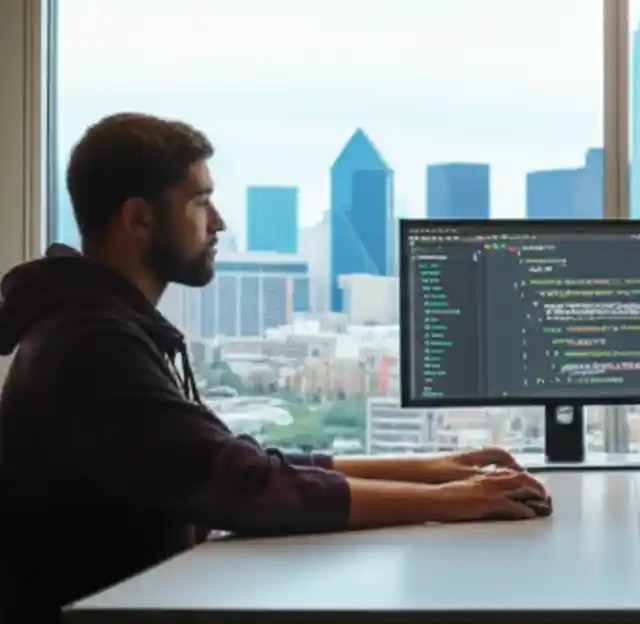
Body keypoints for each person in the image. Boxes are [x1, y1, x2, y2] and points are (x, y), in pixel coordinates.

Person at [0, 113, 552, 623]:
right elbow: (246, 485)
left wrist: (435, 468)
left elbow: (237, 459)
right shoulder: (93, 348)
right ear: (139, 219)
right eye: (200, 201)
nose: (217, 222)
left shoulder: (100, 328)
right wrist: (454, 502)